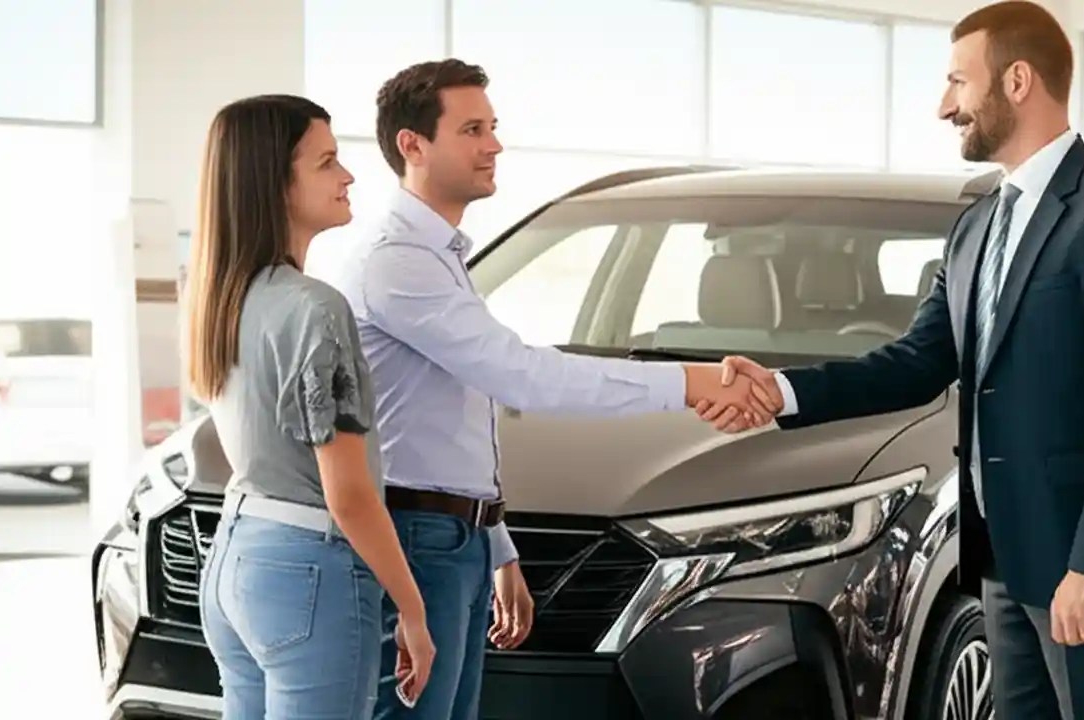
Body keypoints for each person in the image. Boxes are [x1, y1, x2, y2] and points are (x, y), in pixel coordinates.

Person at [699, 2, 1084, 718]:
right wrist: (781, 390)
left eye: (959, 82)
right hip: (1004, 563)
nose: (943, 106)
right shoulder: (975, 227)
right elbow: (918, 360)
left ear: (1017, 80)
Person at [308, 60, 773, 720]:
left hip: (453, 542)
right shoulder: (396, 260)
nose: (494, 144)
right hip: (416, 541)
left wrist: (495, 544)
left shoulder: (440, 257)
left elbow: (459, 418)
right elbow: (519, 374)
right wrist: (693, 382)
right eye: (472, 128)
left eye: (492, 127)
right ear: (412, 144)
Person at [186, 94, 437, 719]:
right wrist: (412, 606)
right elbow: (348, 494)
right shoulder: (316, 308)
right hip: (308, 569)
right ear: (274, 182)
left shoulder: (219, 299)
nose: (347, 176)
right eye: (327, 162)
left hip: (235, 561)